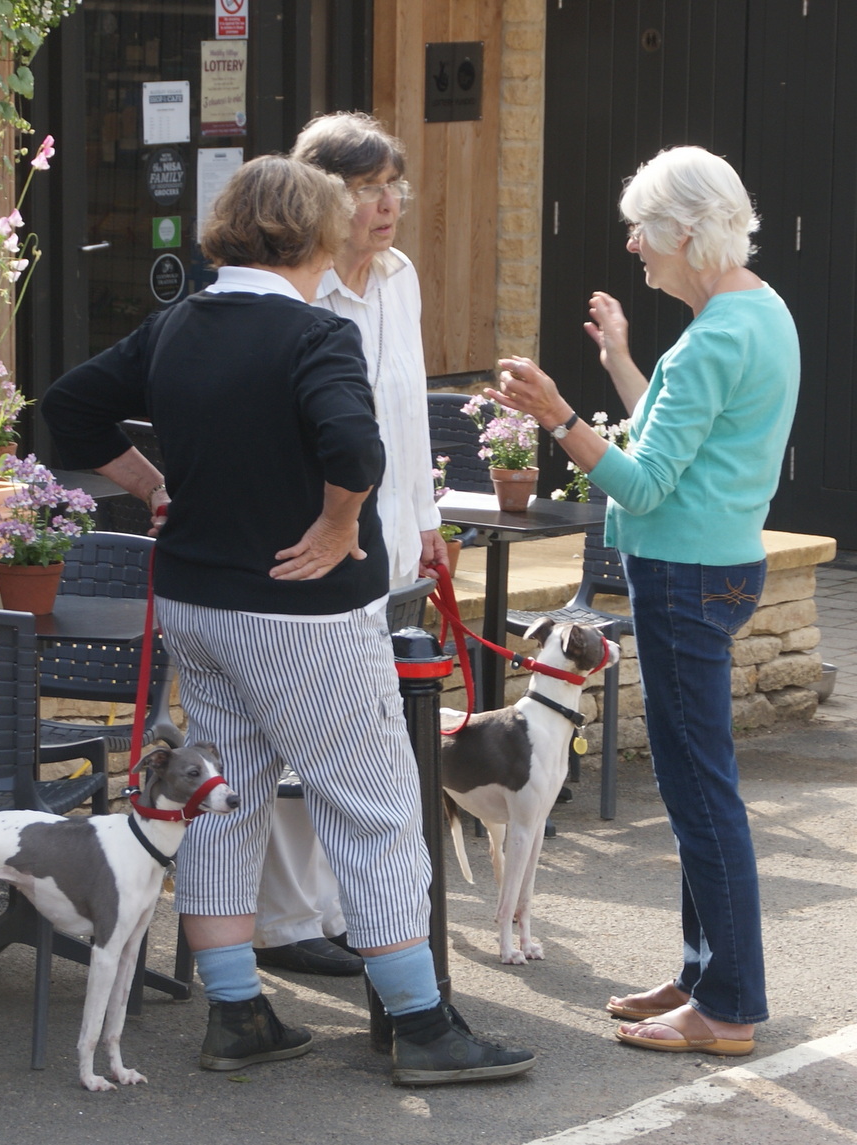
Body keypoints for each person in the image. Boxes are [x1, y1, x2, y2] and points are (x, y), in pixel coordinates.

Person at [41, 154, 534, 1086]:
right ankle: (424, 1026)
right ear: (317, 234)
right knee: (378, 806)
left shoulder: (176, 324)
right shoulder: (315, 335)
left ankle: (237, 1012)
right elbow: (357, 448)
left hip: (195, 599)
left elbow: (70, 406)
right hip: (300, 611)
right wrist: (338, 523)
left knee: (224, 800)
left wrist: (153, 485)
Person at [489, 146, 799, 1057]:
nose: (632, 244)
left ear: (689, 233)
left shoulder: (713, 338)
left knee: (701, 793)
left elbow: (647, 481)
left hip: (684, 574)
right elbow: (674, 441)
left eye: (644, 228)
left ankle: (729, 1006)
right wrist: (624, 361)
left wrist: (554, 413)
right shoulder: (759, 312)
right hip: (725, 565)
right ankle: (705, 971)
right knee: (699, 785)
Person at [247, 112, 445, 979]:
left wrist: (430, 521)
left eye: (393, 183)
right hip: (319, 546)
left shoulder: (398, 278)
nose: (386, 202)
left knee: (370, 736)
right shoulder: (296, 287)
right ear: (324, 194)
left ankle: (344, 909)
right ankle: (287, 919)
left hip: (392, 543)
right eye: (366, 187)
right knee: (303, 735)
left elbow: (408, 408)